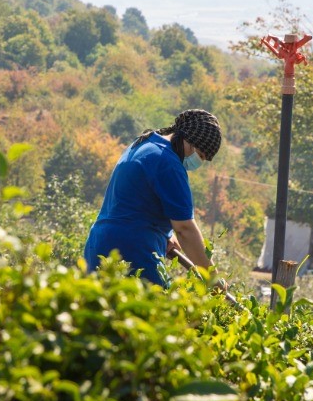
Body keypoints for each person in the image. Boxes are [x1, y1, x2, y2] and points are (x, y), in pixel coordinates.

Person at [83, 109, 222, 287]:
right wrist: (211, 278)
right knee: (158, 313)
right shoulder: (168, 163)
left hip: (98, 246)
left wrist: (166, 234)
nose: (197, 163)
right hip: (132, 252)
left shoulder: (143, 144)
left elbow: (137, 202)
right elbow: (185, 228)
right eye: (200, 156)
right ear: (190, 141)